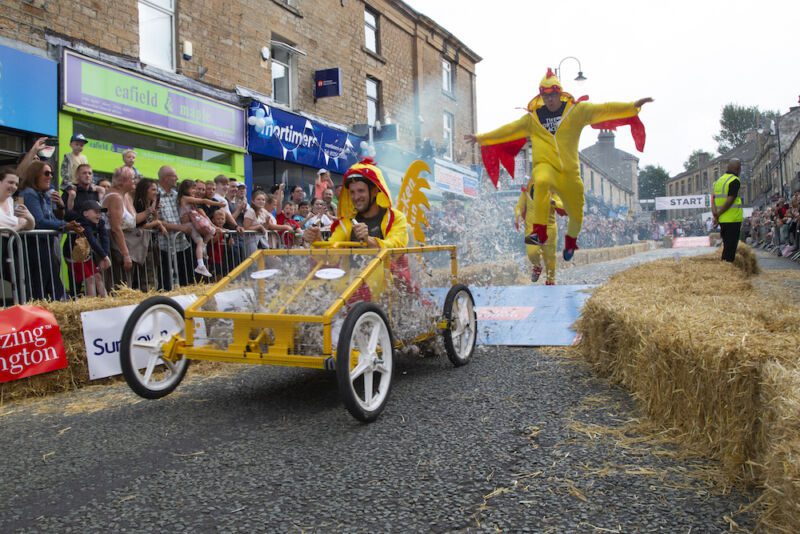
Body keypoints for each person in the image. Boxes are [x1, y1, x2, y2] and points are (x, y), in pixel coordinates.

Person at [466, 69, 652, 261]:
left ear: (560, 94)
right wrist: (481, 138)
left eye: (553, 95)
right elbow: (509, 129)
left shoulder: (577, 111)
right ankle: (539, 231)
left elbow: (603, 109)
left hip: (570, 173)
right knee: (540, 180)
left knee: (577, 214)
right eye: (545, 97)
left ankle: (571, 241)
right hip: (546, 166)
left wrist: (631, 106)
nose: (549, 100)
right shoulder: (533, 118)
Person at [305, 157, 407, 248]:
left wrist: (368, 240)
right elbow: (331, 257)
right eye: (352, 192)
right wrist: (317, 240)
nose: (356, 197)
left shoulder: (396, 218)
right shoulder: (347, 222)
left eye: (361, 191)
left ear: (375, 191)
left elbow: (395, 249)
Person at [19, 161, 83, 300]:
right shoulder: (29, 193)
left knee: (52, 286)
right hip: (34, 247)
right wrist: (65, 225)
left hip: (45, 246)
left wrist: (60, 206)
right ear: (34, 175)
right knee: (40, 288)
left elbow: (53, 218)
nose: (50, 177)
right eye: (46, 173)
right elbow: (40, 222)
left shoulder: (44, 194)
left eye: (52, 174)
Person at [515, 184, 565, 284]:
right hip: (533, 229)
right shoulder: (526, 191)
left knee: (549, 257)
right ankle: (537, 266)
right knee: (532, 253)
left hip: (549, 229)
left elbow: (562, 204)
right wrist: (518, 215)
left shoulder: (552, 191)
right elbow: (519, 206)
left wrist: (553, 202)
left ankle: (550, 280)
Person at [156, 165, 195, 290]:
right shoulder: (155, 195)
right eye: (174, 176)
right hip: (164, 244)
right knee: (166, 282)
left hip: (181, 243)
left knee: (188, 279)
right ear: (165, 178)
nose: (177, 178)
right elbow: (156, 221)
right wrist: (180, 227)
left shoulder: (176, 195)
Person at [177, 179, 225, 278]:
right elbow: (203, 200)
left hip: (191, 224)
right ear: (186, 189)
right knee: (200, 240)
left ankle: (202, 258)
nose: (195, 191)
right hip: (187, 224)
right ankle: (201, 262)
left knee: (208, 233)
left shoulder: (190, 201)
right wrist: (218, 204)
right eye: (193, 188)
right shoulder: (185, 198)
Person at [102, 166, 138, 287]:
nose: (134, 181)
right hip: (114, 245)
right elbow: (116, 228)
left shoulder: (121, 196)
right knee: (117, 283)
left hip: (118, 244)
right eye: (132, 179)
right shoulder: (115, 197)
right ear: (123, 181)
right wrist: (126, 254)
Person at [67, 200, 111, 297]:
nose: (99, 215)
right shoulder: (82, 222)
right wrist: (104, 256)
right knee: (89, 278)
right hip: (75, 254)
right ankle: (92, 306)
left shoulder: (100, 222)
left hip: (85, 254)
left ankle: (107, 303)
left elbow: (105, 238)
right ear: (85, 213)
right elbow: (91, 240)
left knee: (98, 277)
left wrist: (106, 254)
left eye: (100, 212)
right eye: (96, 212)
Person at [131, 178, 167, 291]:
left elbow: (154, 223)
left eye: (156, 190)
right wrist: (158, 223)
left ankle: (151, 291)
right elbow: (139, 226)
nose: (156, 192)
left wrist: (156, 215)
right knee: (146, 272)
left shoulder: (150, 204)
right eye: (153, 190)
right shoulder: (139, 203)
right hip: (140, 243)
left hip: (150, 242)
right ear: (145, 190)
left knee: (152, 270)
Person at [711, 159, 744, 262]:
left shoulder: (718, 182)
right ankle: (727, 269)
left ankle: (725, 268)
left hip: (723, 221)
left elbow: (713, 201)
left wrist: (716, 216)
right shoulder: (734, 180)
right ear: (738, 169)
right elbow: (730, 200)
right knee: (730, 249)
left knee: (727, 246)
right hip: (733, 219)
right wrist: (719, 214)